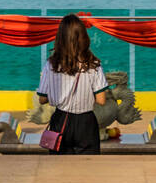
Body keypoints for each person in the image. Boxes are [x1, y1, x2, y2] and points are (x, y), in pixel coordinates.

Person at [36, 13, 109, 154]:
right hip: (86, 122)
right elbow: (101, 100)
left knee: (59, 165)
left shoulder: (51, 64)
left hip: (61, 120)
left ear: (60, 38)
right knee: (89, 165)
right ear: (83, 38)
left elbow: (42, 99)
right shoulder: (93, 65)